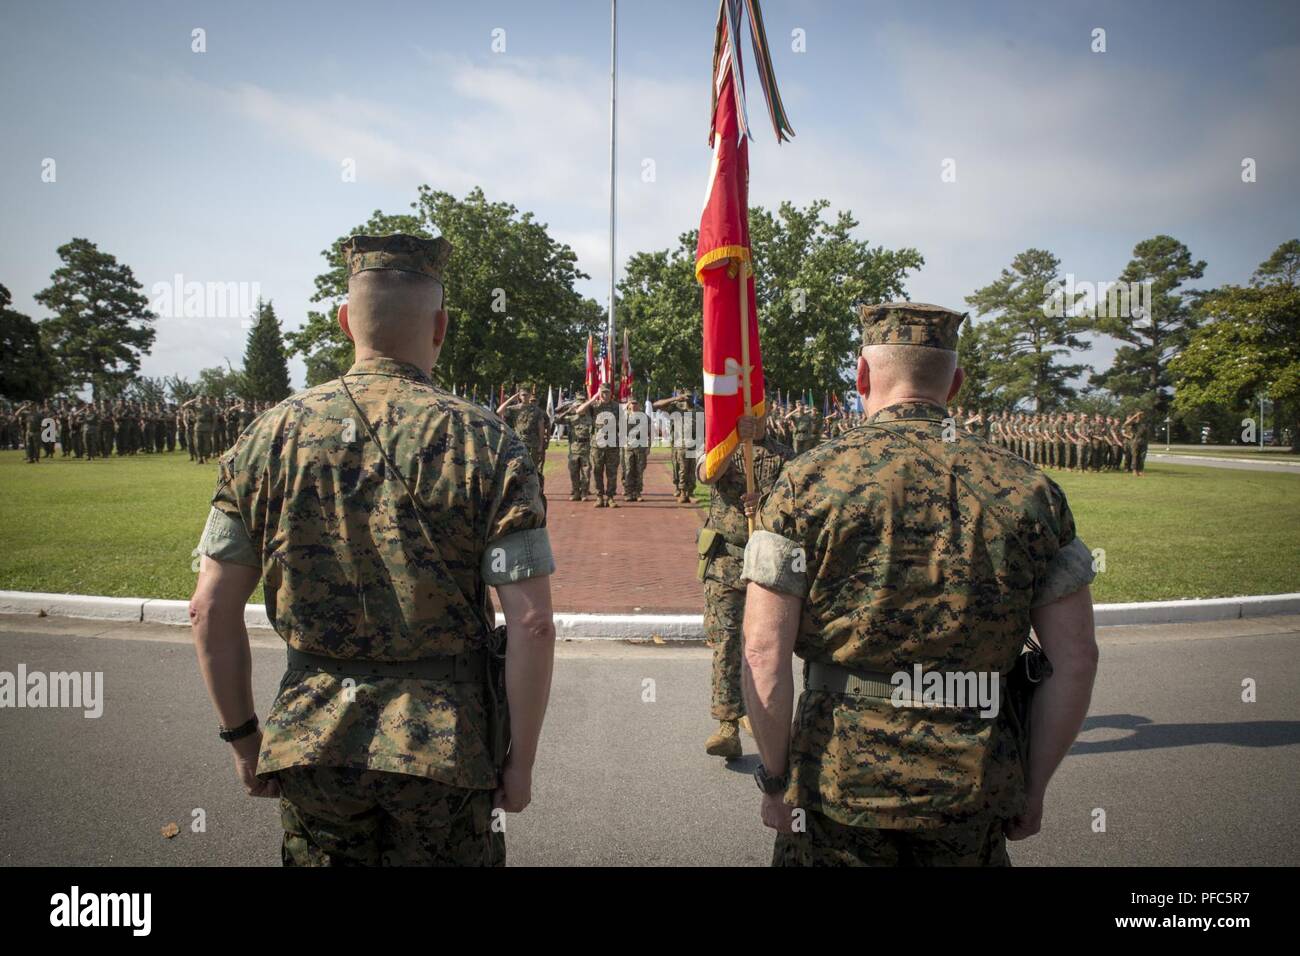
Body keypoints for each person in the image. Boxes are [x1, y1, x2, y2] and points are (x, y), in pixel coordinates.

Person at [189, 232, 557, 867]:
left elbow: (209, 609)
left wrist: (244, 738)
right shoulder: (489, 443)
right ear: (439, 326)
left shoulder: (268, 437)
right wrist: (519, 764)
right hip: (446, 751)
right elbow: (531, 622)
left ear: (344, 321)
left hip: (312, 742)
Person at [740, 301, 1098, 867]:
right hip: (974, 786)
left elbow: (762, 653)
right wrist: (1033, 788)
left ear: (861, 375)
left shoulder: (804, 483)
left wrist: (775, 777)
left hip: (838, 785)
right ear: (955, 382)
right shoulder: (1031, 491)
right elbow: (1076, 658)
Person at [695, 411, 793, 759]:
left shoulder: (785, 457)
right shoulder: (723, 450)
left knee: (764, 647)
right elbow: (706, 474)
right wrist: (733, 439)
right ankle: (727, 726)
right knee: (725, 640)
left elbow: (796, 509)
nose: (752, 416)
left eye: (758, 410)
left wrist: (765, 505)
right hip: (725, 562)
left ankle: (760, 717)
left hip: (766, 564)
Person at [498, 383, 550, 498]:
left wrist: (541, 445)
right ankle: (520, 493)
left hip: (533, 444)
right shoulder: (514, 409)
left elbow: (541, 428)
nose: (525, 397)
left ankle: (537, 492)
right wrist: (511, 398)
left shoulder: (537, 411)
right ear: (519, 396)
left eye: (527, 395)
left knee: (534, 469)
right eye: (522, 395)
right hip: (519, 444)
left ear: (530, 395)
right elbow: (499, 411)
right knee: (517, 469)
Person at [652, 387, 698, 504]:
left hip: (693, 445)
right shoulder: (676, 409)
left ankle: (690, 492)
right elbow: (656, 405)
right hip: (679, 445)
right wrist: (676, 398)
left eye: (690, 397)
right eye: (686, 398)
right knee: (681, 469)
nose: (688, 400)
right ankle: (682, 491)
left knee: (691, 470)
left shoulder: (698, 410)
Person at [555, 398, 594, 501]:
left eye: (581, 406)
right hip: (574, 450)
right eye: (577, 406)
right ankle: (576, 492)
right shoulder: (572, 418)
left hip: (586, 449)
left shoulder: (590, 419)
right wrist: (568, 411)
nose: (580, 408)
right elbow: (557, 420)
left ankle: (584, 493)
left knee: (586, 473)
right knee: (574, 472)